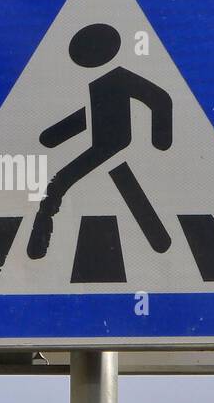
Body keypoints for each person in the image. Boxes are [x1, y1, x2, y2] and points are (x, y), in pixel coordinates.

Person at [28, 22, 173, 260]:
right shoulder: (99, 84)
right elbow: (89, 116)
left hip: (116, 146)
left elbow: (159, 99)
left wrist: (160, 140)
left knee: (125, 189)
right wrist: (53, 136)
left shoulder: (120, 77)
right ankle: (40, 239)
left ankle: (161, 243)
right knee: (72, 184)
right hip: (103, 146)